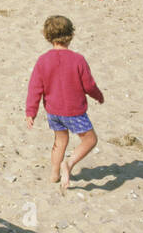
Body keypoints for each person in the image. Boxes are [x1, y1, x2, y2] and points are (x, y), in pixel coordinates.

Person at [25, 15, 104, 193]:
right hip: (74, 111)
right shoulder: (78, 60)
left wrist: (31, 112)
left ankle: (54, 174)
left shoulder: (43, 61)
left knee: (60, 141)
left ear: (47, 36)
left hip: (53, 111)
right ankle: (68, 163)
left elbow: (35, 88)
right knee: (90, 139)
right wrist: (98, 96)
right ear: (70, 35)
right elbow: (89, 85)